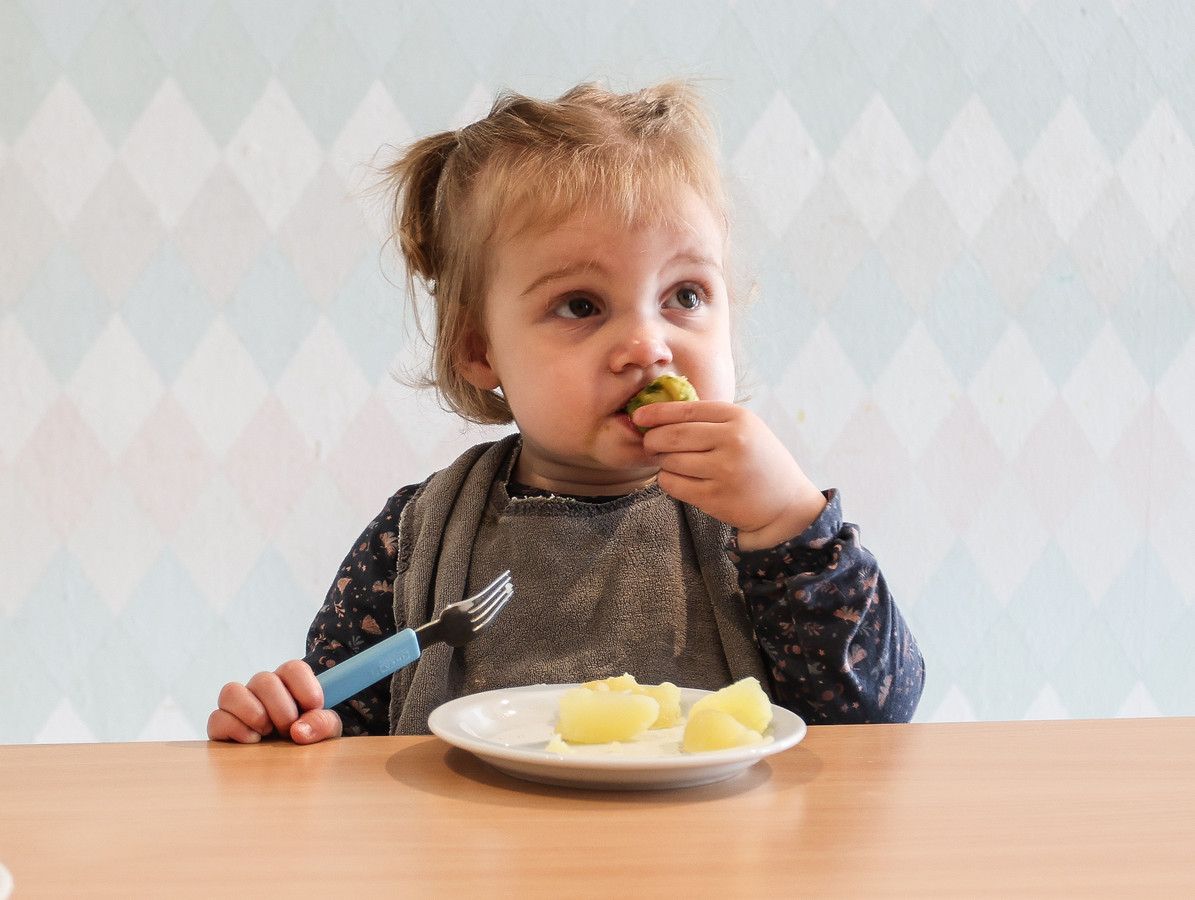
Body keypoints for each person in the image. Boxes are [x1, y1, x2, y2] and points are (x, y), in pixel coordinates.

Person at [208, 80, 925, 745]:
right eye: (581, 306)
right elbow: (344, 730)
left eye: (684, 296)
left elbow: (876, 717)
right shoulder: (415, 538)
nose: (648, 347)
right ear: (479, 349)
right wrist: (292, 721)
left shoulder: (764, 533)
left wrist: (794, 530)